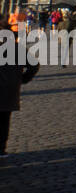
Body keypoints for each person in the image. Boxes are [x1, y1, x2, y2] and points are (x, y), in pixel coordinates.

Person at [0, 28, 39, 156]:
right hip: (9, 90)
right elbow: (34, 65)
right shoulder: (19, 49)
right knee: (4, 119)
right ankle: (1, 148)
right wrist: (23, 79)